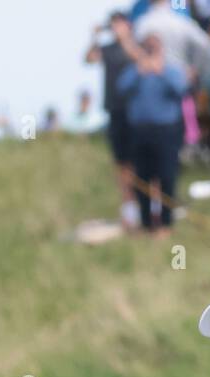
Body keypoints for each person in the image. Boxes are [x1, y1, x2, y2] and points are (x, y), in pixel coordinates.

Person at [116, 31, 190, 233]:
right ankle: (147, 223)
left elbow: (182, 89)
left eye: (153, 47)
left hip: (165, 132)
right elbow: (121, 88)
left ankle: (166, 224)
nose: (150, 51)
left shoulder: (171, 70)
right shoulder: (135, 71)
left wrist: (161, 71)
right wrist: (139, 70)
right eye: (147, 47)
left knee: (167, 176)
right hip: (139, 132)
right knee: (142, 178)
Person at [86, 12, 138, 226]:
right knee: (121, 162)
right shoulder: (107, 49)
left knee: (139, 161)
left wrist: (126, 38)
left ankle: (146, 207)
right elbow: (89, 59)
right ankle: (129, 209)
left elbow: (140, 59)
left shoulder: (136, 44)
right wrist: (95, 36)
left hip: (136, 111)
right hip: (115, 111)